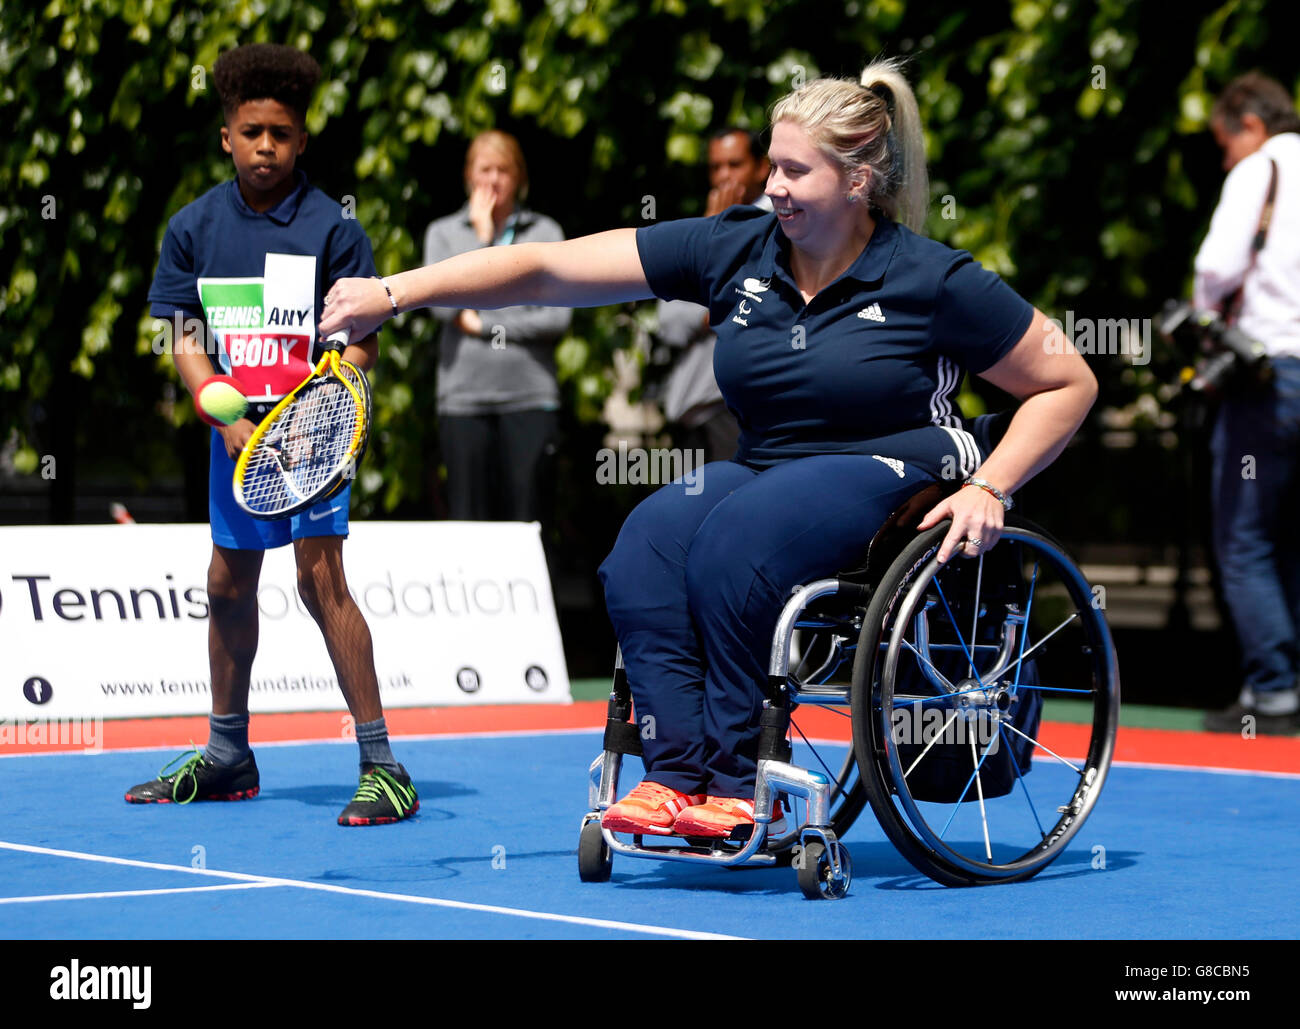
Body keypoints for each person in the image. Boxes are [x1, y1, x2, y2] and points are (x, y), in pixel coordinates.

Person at [320, 58, 1096, 837]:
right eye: (772, 166)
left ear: (858, 181)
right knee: (646, 544)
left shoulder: (932, 276)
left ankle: (736, 777)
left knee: (739, 540)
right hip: (767, 466)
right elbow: (549, 268)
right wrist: (394, 293)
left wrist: (991, 485)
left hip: (896, 466)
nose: (775, 186)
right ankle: (675, 772)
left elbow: (1068, 381)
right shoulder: (737, 248)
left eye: (796, 170)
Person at [134, 43, 418, 825]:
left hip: (311, 437)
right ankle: (228, 754)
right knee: (228, 582)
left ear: (301, 140)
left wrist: (324, 411)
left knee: (319, 581)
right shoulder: (192, 227)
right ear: (227, 134)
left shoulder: (333, 228)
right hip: (236, 439)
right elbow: (183, 332)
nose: (266, 146)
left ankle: (382, 763)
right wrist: (224, 414)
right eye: (252, 130)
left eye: (282, 134)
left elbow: (362, 338)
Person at [1195, 72, 1300, 735]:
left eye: (1224, 145)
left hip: (1271, 378)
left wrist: (1205, 320)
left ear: (1250, 125)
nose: (1227, 158)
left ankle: (1275, 690)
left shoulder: (1260, 167)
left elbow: (1216, 267)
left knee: (1245, 537)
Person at [422, 131, 572, 522]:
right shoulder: (443, 233)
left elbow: (557, 318)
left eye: (503, 170)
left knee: (530, 522)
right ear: (469, 176)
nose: (493, 180)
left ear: (519, 178)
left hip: (529, 398)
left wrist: (482, 323)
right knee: (469, 525)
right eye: (484, 169)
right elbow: (440, 307)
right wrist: (483, 240)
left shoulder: (545, 233)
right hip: (464, 402)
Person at [656, 127, 771, 462]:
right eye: (715, 166)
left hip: (739, 409)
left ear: (761, 168)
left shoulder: (783, 228)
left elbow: (760, 308)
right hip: (694, 408)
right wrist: (711, 231)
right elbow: (671, 323)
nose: (724, 176)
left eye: (734, 165)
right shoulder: (700, 227)